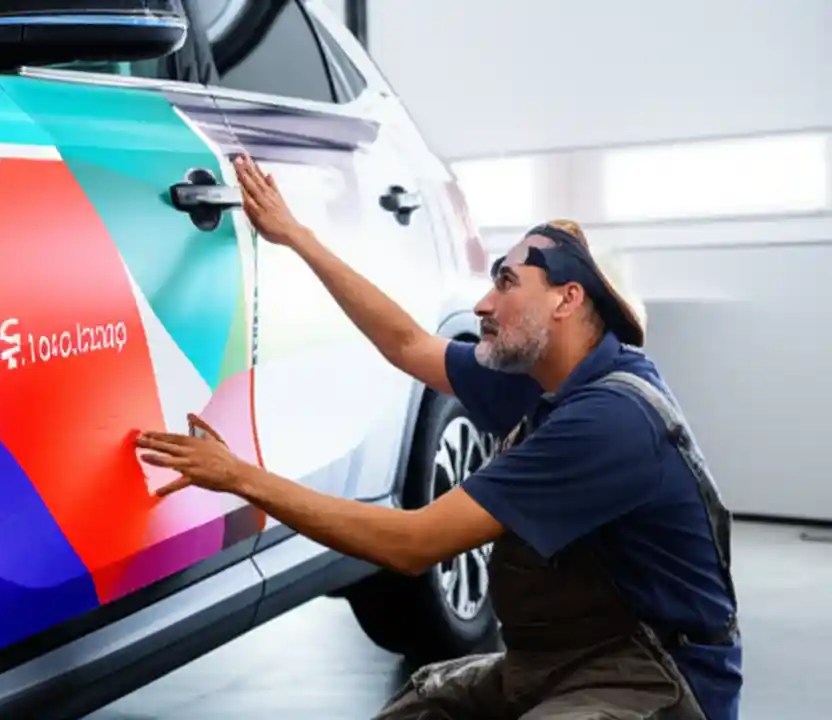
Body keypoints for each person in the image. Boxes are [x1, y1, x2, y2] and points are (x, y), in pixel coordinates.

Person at [136, 155, 743, 719]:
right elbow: (406, 344)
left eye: (506, 283)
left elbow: (413, 543)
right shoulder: (540, 377)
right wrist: (295, 236)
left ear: (567, 299)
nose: (482, 302)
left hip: (656, 678)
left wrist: (239, 476)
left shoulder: (608, 420)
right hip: (560, 661)